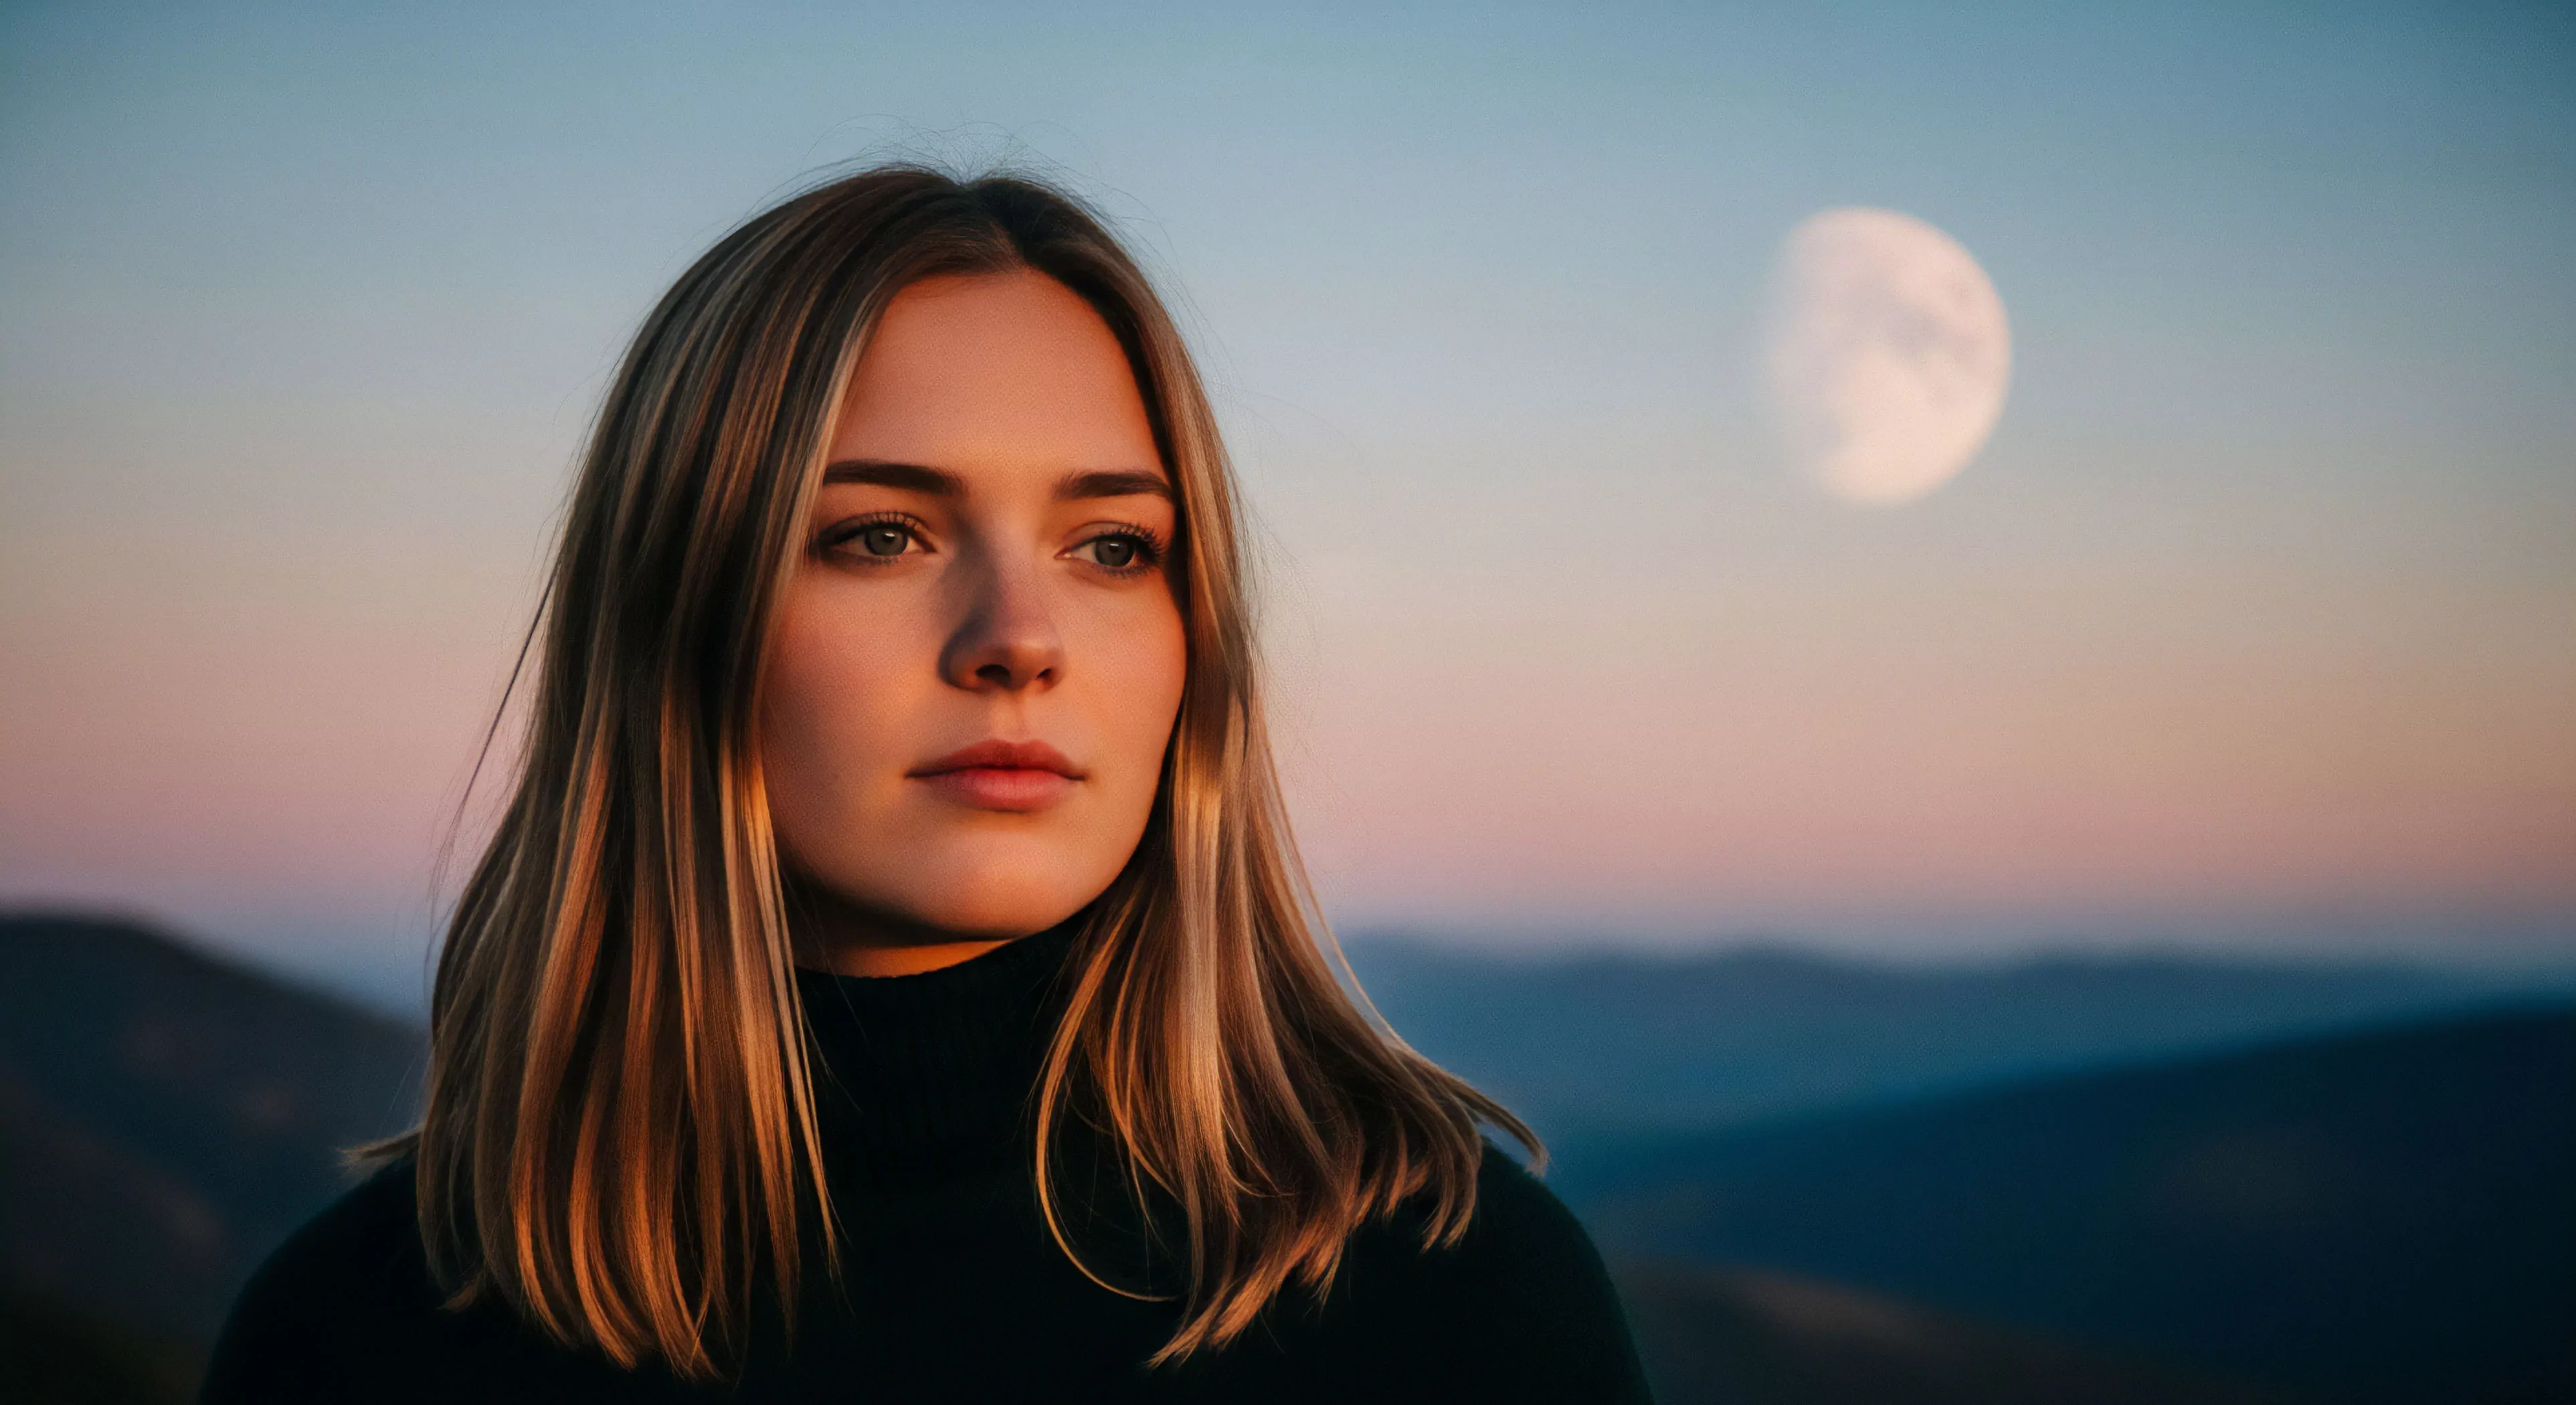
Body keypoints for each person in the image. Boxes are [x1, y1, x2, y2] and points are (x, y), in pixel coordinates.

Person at [199, 165, 1655, 1404]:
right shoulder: (352, 1339)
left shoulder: (1452, 1305)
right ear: (674, 617)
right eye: (881, 534)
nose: (1019, 639)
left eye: (1112, 549)